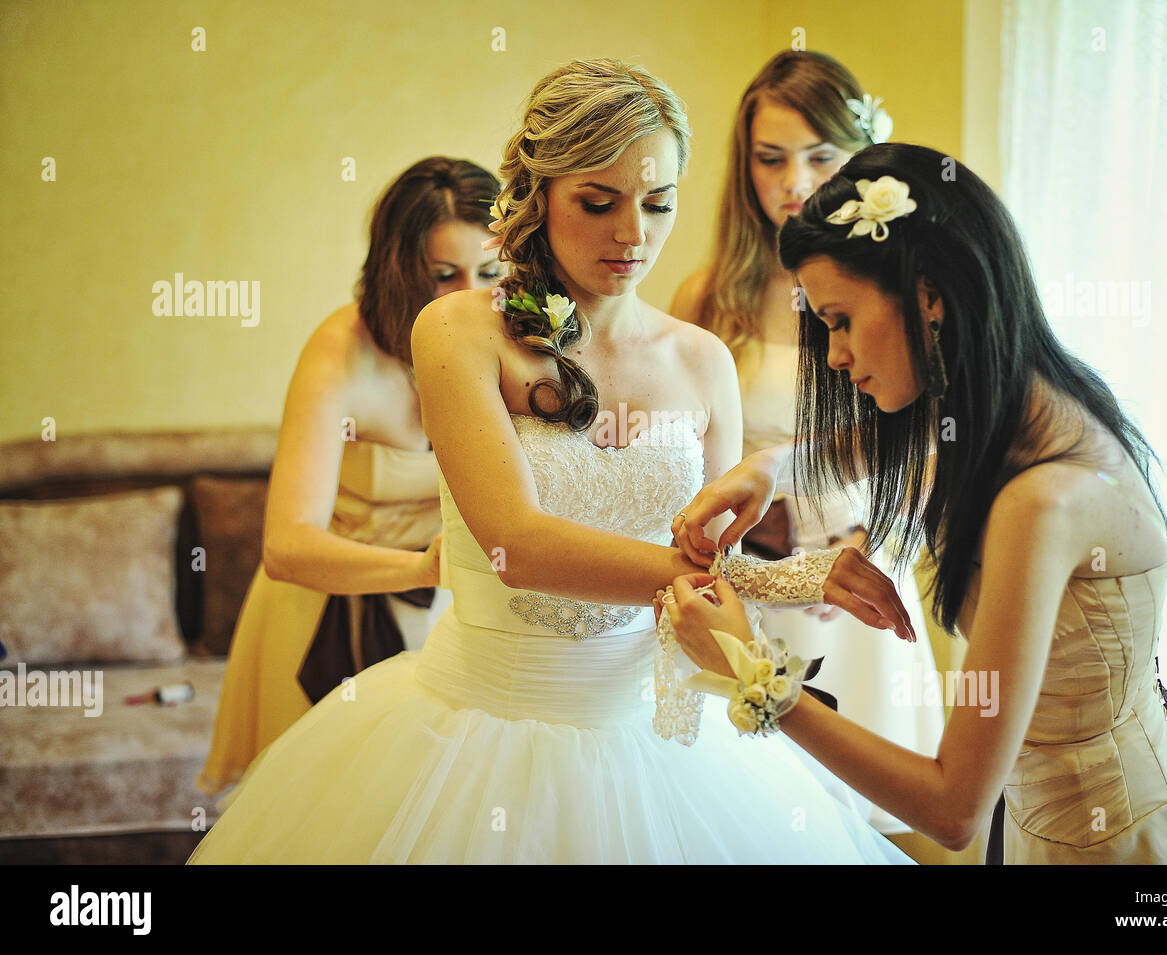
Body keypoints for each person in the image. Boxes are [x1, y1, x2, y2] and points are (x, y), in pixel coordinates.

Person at [186, 58, 916, 864]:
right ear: (538, 196)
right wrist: (737, 576)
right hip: (478, 735)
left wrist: (806, 575)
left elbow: (705, 568)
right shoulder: (459, 332)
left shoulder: (703, 360)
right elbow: (517, 546)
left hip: (661, 747)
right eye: (598, 203)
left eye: (658, 202)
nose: (633, 235)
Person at [664, 142, 1167, 864]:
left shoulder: (1043, 501)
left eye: (840, 320)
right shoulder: (1012, 408)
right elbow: (882, 443)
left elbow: (951, 808)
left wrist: (751, 668)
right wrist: (770, 464)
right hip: (1044, 826)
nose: (835, 355)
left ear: (928, 296)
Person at [669, 50, 944, 839]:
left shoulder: (894, 288)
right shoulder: (708, 293)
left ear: (861, 158)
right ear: (742, 164)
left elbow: (920, 437)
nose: (794, 180)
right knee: (741, 809)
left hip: (860, 552)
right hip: (750, 564)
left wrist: (863, 532)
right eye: (771, 158)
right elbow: (683, 454)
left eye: (820, 155)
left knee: (855, 804)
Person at [195, 157, 501, 796]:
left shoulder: (509, 339)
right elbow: (285, 545)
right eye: (444, 276)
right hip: (324, 607)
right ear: (399, 269)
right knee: (322, 814)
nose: (470, 295)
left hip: (453, 615)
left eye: (490, 272)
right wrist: (421, 570)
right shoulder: (340, 352)